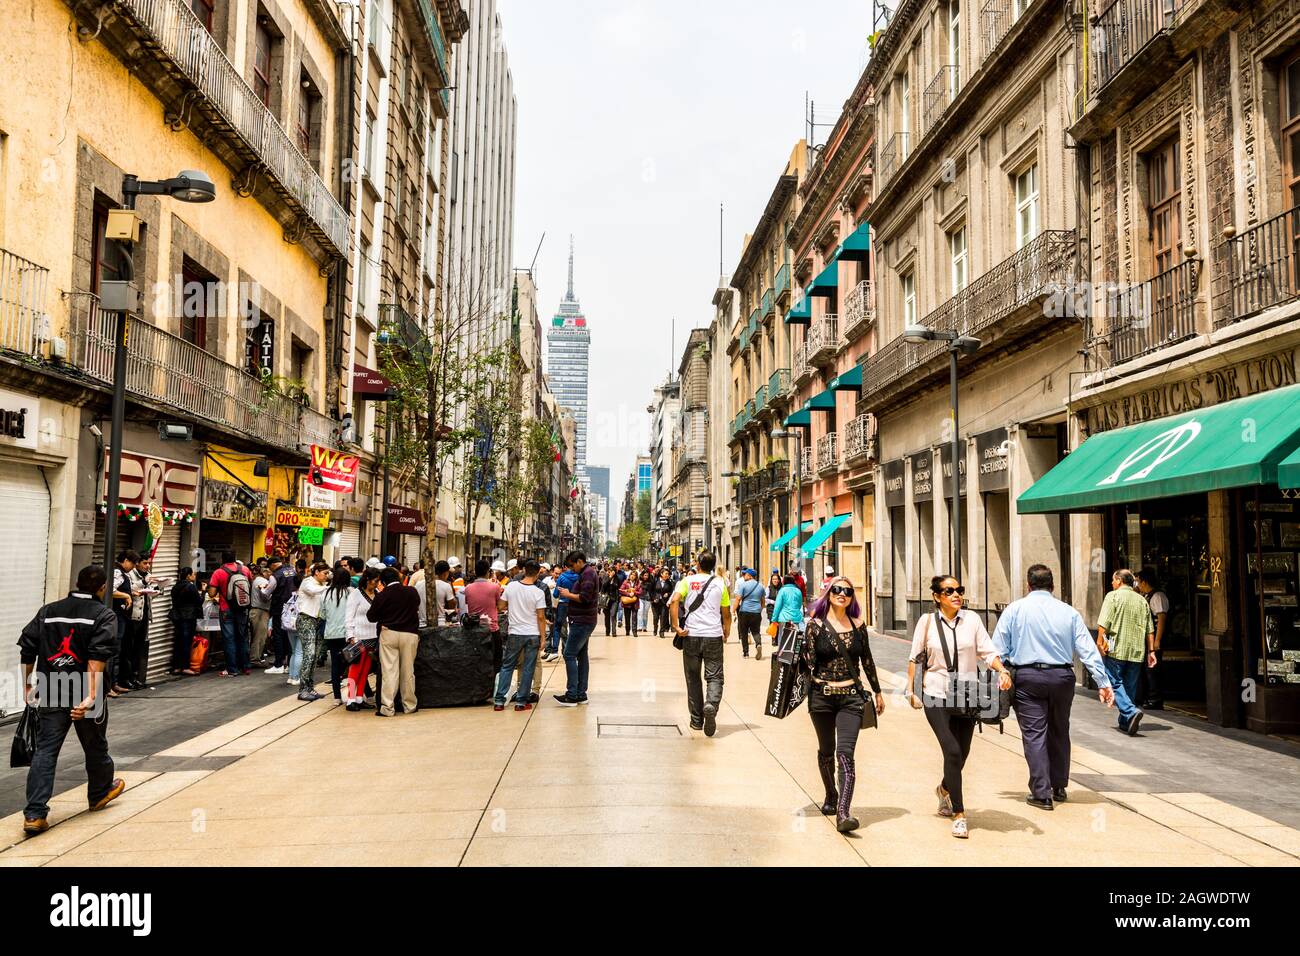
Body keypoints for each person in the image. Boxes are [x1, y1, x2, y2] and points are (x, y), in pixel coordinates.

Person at [992, 564, 1115, 810]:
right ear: (1053, 586)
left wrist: (1000, 673)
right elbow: (1087, 650)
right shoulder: (1068, 612)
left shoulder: (1015, 610)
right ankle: (1059, 786)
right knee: (1060, 730)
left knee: (1034, 734)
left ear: (1028, 585)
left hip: (1027, 678)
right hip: (1062, 677)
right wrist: (1103, 682)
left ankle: (1041, 792)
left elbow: (998, 648)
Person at [18, 565, 127, 835]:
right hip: (84, 691)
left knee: (45, 751)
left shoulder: (49, 611)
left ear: (77, 583)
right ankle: (99, 793)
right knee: (95, 745)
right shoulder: (104, 614)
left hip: (52, 688)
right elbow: (97, 656)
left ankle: (34, 814)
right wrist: (90, 696)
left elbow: (27, 648)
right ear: (102, 588)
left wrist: (28, 684)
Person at [905, 574, 1012, 839]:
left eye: (959, 590)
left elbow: (987, 651)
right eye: (949, 591)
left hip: (966, 695)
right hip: (935, 693)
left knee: (962, 754)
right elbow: (915, 657)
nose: (956, 595)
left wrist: (1002, 670)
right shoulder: (927, 622)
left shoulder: (972, 620)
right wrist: (911, 690)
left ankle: (944, 789)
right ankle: (960, 814)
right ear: (937, 597)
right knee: (951, 751)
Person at [801, 576, 885, 832]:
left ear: (851, 597)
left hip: (851, 697)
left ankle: (844, 813)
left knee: (845, 753)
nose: (842, 594)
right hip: (821, 696)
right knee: (826, 750)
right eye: (836, 589)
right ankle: (831, 795)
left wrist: (878, 691)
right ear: (828, 593)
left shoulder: (859, 625)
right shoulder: (815, 626)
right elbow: (809, 662)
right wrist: (801, 649)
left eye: (847, 591)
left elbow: (867, 661)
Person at [669, 552, 731, 737]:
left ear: (697, 563)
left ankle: (696, 720)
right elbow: (725, 612)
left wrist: (675, 625)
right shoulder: (721, 583)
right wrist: (726, 629)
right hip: (713, 635)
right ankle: (711, 704)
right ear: (713, 565)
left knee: (693, 678)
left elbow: (674, 600)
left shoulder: (687, 581)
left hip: (691, 635)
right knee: (715, 676)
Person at [1096, 568, 1158, 737]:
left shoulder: (1113, 596)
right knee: (1129, 687)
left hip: (1116, 649)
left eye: (1113, 580)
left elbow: (1104, 622)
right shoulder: (1142, 600)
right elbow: (1149, 629)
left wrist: (1099, 642)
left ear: (1119, 581)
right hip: (1137, 651)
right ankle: (1125, 722)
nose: (1111, 583)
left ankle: (1130, 712)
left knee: (1114, 682)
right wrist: (1151, 651)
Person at [494, 560, 548, 712]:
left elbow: (501, 606)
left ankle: (499, 700)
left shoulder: (511, 586)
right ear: (537, 573)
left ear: (524, 570)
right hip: (532, 634)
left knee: (507, 666)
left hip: (515, 633)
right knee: (528, 668)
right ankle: (521, 702)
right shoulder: (538, 592)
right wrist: (543, 638)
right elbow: (541, 617)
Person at [367, 567, 421, 717]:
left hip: (389, 633)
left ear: (383, 581)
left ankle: (387, 707)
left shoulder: (382, 595)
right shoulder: (412, 591)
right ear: (399, 577)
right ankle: (409, 705)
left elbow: (371, 616)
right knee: (408, 671)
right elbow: (416, 606)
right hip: (409, 634)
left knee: (389, 672)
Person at [554, 551, 599, 706]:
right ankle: (580, 693)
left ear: (580, 561)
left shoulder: (587, 574)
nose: (572, 569)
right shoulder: (587, 573)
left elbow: (585, 598)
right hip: (583, 620)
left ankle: (572, 694)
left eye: (573, 566)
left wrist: (567, 594)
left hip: (582, 621)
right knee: (581, 655)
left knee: (569, 654)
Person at [208, 551, 253, 678]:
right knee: (243, 637)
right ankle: (246, 667)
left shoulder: (219, 572)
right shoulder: (244, 569)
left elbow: (211, 594)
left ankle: (232, 669)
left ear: (222, 559)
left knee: (229, 639)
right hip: (243, 608)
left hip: (226, 609)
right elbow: (250, 584)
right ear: (235, 558)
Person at [345, 568, 381, 710]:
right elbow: (349, 616)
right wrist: (350, 635)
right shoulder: (355, 594)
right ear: (368, 579)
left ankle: (359, 697)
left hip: (373, 636)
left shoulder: (378, 594)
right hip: (359, 637)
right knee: (355, 669)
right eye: (376, 580)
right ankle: (350, 699)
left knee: (366, 669)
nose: (377, 584)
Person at [293, 562, 330, 701]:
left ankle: (310, 688)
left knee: (314, 657)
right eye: (325, 573)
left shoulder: (322, 586)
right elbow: (313, 591)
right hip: (306, 619)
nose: (327, 576)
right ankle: (303, 689)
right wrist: (329, 587)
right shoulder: (307, 582)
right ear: (317, 572)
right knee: (309, 654)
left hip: (318, 621)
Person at [318, 566, 353, 705]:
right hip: (348, 634)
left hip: (331, 633)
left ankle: (337, 697)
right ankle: (354, 694)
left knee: (335, 665)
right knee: (352, 664)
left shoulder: (325, 594)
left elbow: (323, 615)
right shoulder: (351, 592)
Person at [464, 559, 506, 671]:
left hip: (474, 629)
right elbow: (500, 605)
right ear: (488, 572)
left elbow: (468, 603)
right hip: (492, 629)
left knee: (477, 661)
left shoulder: (468, 588)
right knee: (496, 660)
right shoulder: (495, 587)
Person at [1135, 568, 1168, 710]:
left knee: (1152, 669)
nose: (1137, 584)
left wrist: (1157, 640)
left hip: (1153, 638)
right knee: (1147, 669)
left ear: (1144, 581)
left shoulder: (1157, 596)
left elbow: (1161, 619)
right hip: (1147, 639)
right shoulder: (1146, 596)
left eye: (1138, 581)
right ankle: (1149, 697)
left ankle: (1156, 699)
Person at [108, 550, 137, 697]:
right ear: (125, 560)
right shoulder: (117, 572)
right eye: (132, 563)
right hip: (117, 616)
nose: (133, 567)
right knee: (114, 650)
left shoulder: (122, 573)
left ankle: (114, 683)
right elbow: (110, 589)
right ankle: (108, 686)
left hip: (122, 616)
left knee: (118, 651)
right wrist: (126, 595)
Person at [169, 567, 203, 675]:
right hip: (188, 617)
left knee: (178, 641)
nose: (194, 576)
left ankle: (176, 667)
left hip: (177, 617)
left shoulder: (175, 587)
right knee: (186, 641)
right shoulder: (191, 587)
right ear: (188, 575)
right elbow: (199, 601)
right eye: (193, 574)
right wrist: (202, 591)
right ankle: (185, 667)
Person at [266, 556, 294, 674]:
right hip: (291, 608)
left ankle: (278, 664)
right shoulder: (292, 570)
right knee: (288, 636)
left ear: (272, 565)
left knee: (278, 635)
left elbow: (267, 592)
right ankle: (289, 665)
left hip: (279, 608)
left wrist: (262, 590)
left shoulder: (275, 575)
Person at [547, 562, 578, 661]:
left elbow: (556, 595)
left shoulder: (562, 578)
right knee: (574, 628)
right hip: (575, 604)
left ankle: (555, 650)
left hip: (562, 604)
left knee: (557, 627)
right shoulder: (578, 577)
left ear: (565, 567)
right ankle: (574, 650)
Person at [734, 568, 766, 659]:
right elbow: (763, 601)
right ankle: (758, 644)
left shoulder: (743, 585)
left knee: (744, 632)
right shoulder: (760, 586)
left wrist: (733, 611)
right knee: (756, 631)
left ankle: (746, 653)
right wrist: (759, 610)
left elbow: (737, 599)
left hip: (744, 611)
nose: (744, 576)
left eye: (746, 574)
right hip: (756, 612)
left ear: (750, 576)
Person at [250, 562, 274, 665]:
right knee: (260, 636)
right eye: (269, 571)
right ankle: (255, 659)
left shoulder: (256, 580)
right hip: (260, 610)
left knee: (257, 635)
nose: (270, 574)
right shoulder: (263, 581)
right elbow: (265, 595)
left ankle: (256, 658)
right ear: (264, 572)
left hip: (256, 610)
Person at [650, 566, 674, 637]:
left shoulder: (669, 583)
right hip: (655, 602)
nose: (667, 575)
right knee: (656, 617)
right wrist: (653, 598)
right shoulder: (655, 581)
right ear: (661, 574)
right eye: (666, 573)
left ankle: (662, 632)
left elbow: (672, 591)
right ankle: (655, 629)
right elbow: (650, 591)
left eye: (668, 574)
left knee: (663, 617)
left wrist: (668, 594)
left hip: (664, 603)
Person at [600, 566, 620, 636]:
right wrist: (610, 577)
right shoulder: (605, 577)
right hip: (606, 599)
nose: (611, 572)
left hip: (615, 599)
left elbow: (618, 587)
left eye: (612, 571)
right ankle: (607, 631)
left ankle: (614, 632)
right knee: (607, 616)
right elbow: (604, 586)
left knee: (613, 614)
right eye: (610, 571)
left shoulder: (617, 579)